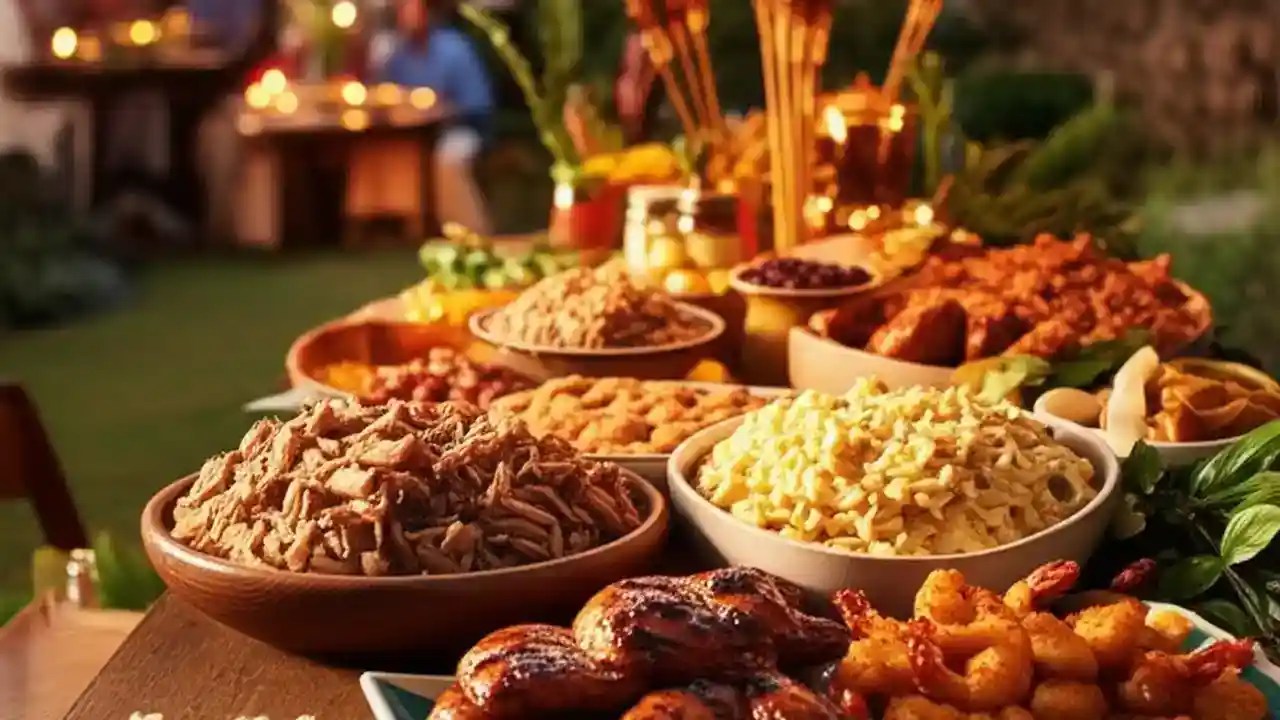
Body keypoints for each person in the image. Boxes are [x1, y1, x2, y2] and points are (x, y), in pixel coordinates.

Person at [374, 0, 493, 234]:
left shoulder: (455, 49)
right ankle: (396, 224)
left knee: (447, 158)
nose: (406, 16)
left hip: (460, 129)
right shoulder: (398, 55)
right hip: (411, 135)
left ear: (428, 12)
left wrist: (442, 110)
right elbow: (383, 93)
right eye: (402, 10)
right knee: (381, 152)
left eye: (411, 8)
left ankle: (470, 230)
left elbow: (477, 104)